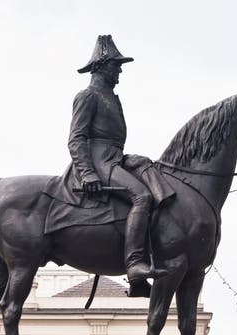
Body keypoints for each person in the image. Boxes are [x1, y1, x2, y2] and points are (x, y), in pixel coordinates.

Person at [68, 34, 167, 294]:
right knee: (142, 196)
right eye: (116, 65)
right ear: (101, 66)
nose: (120, 70)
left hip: (115, 157)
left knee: (151, 171)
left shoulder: (112, 97)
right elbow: (76, 139)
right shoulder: (88, 96)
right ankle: (135, 266)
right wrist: (87, 172)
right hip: (100, 161)